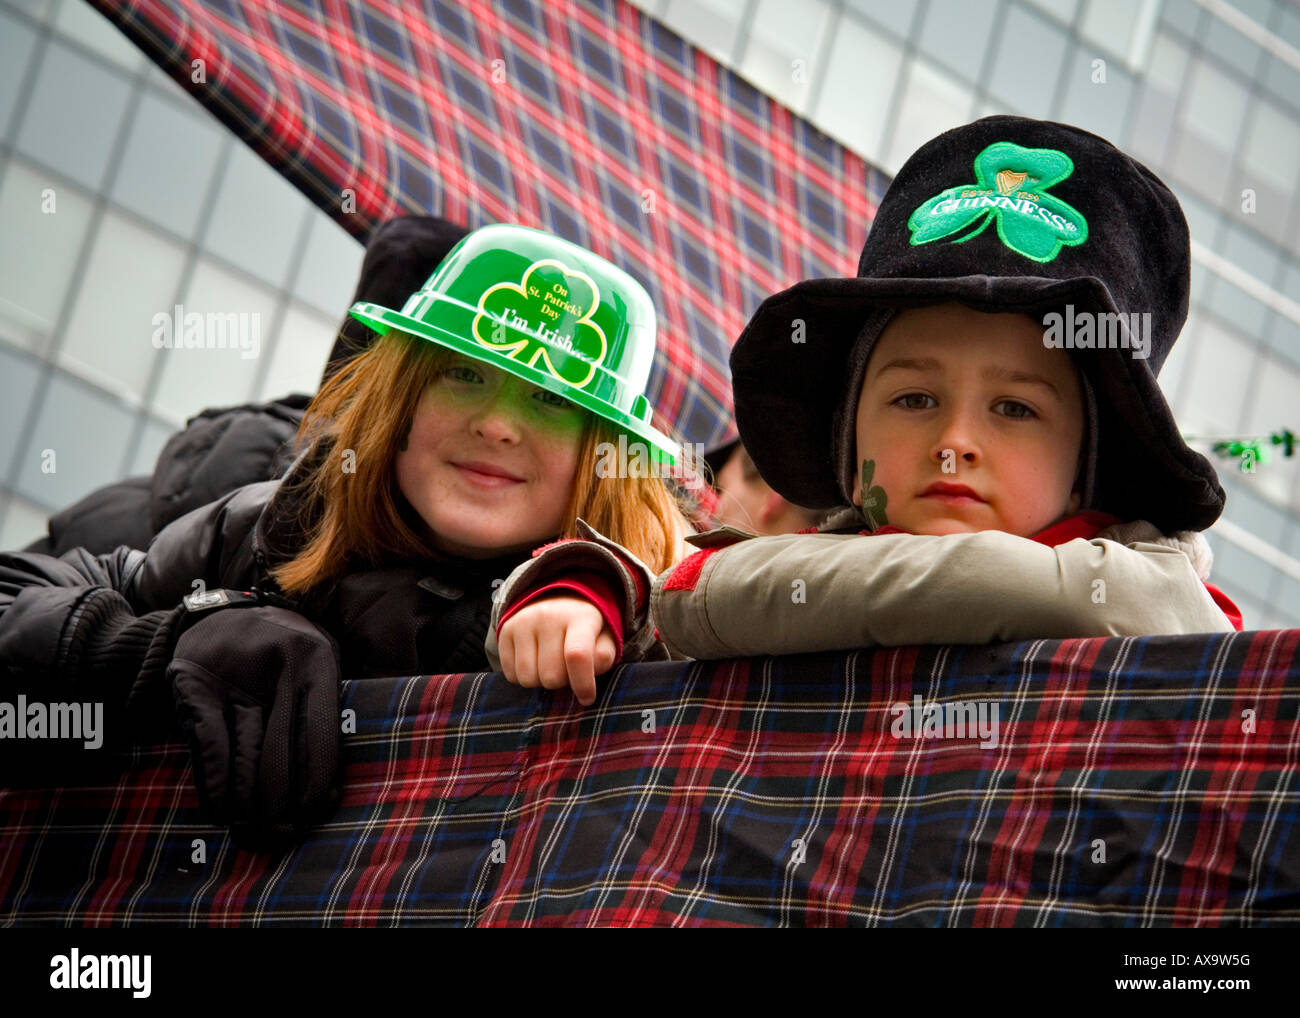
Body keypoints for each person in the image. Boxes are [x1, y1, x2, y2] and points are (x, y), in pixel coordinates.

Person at [0, 223, 689, 840]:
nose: (498, 423)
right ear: (401, 400)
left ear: (605, 458)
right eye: (462, 373)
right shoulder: (271, 523)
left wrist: (597, 598)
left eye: (551, 399)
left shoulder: (623, 625)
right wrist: (179, 639)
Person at [495, 116, 1242, 668]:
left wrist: (676, 602)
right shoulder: (762, 589)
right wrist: (589, 593)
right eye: (913, 399)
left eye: (1015, 408)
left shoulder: (1168, 614)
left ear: (1095, 460)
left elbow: (1038, 590)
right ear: (847, 440)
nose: (955, 441)